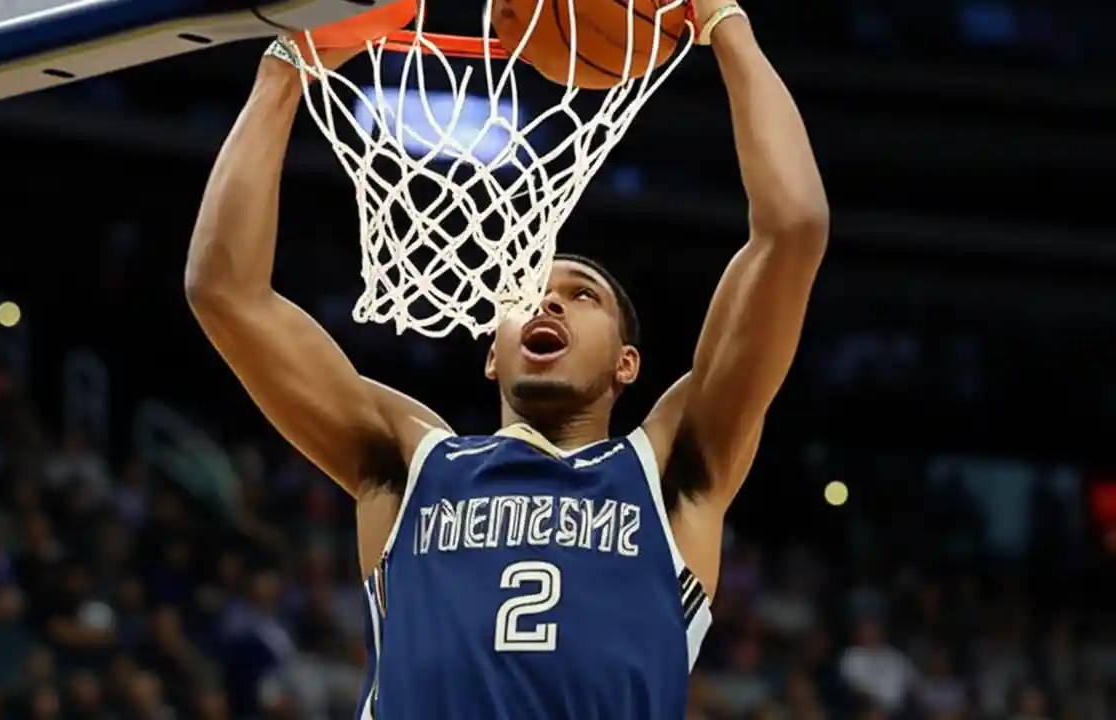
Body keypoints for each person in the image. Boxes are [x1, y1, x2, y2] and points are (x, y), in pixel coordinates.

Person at [183, 0, 828, 716]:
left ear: (627, 365)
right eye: (528, 292)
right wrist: (283, 74)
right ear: (493, 354)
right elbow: (225, 291)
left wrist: (722, 20)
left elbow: (793, 229)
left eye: (581, 296)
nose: (547, 304)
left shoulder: (673, 469)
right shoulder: (407, 461)